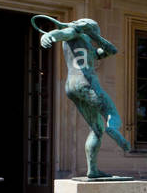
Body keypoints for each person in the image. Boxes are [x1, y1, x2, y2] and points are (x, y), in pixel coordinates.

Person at [34, 16, 132, 179]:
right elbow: (63, 33)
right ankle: (113, 128)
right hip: (86, 82)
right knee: (111, 114)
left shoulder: (86, 44)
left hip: (71, 86)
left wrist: (94, 37)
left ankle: (92, 170)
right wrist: (48, 35)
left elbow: (111, 50)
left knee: (96, 129)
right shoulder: (75, 33)